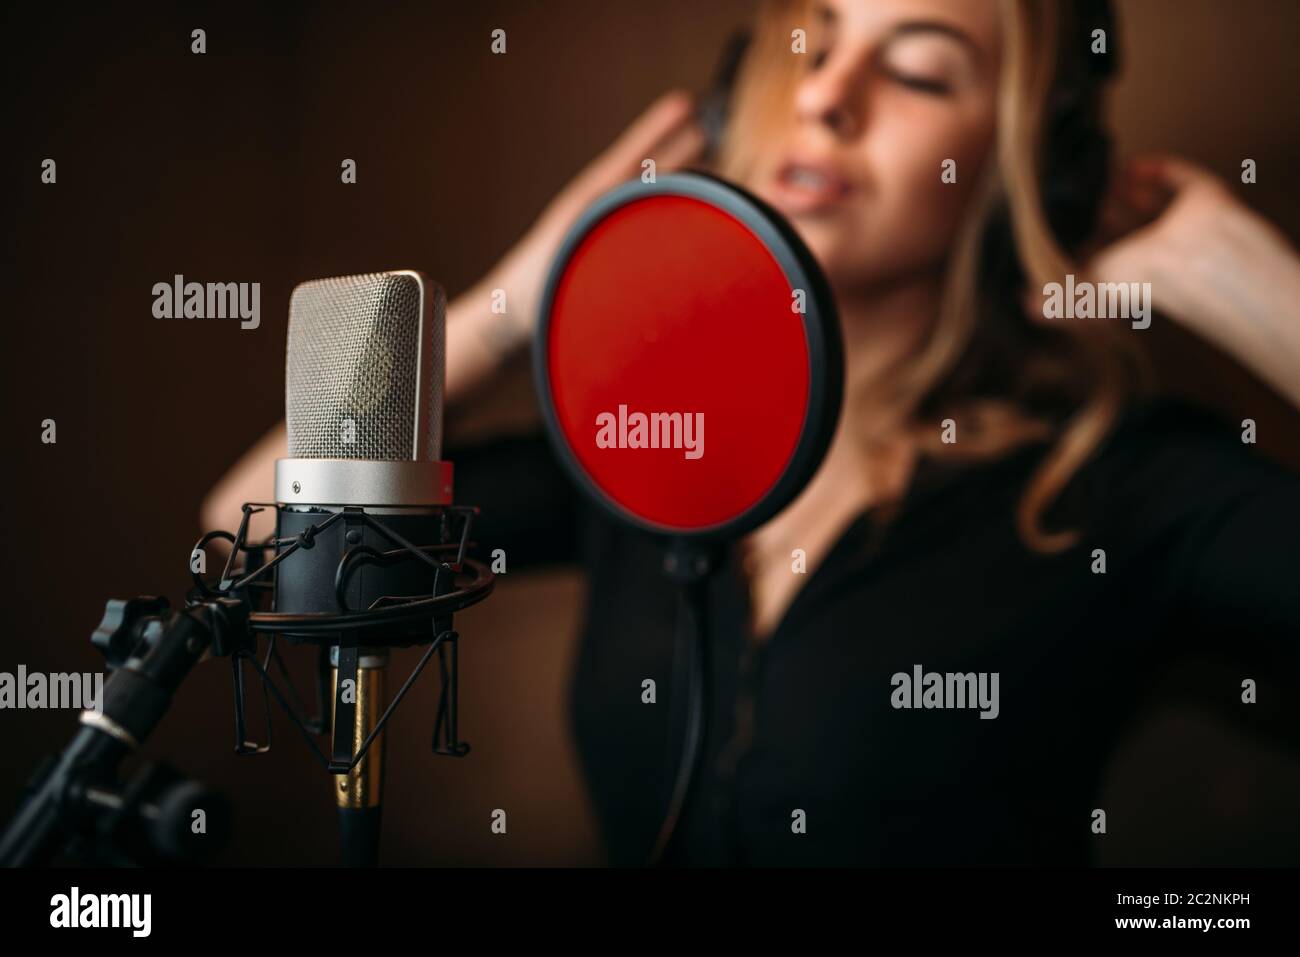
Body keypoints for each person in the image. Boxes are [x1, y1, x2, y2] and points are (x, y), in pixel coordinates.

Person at [202, 0, 1300, 865]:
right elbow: (261, 542)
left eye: (916, 69)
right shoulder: (644, 448)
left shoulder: (1125, 488)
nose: (827, 94)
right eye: (811, 45)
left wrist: (1262, 291)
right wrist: (522, 299)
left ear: (1028, 174)